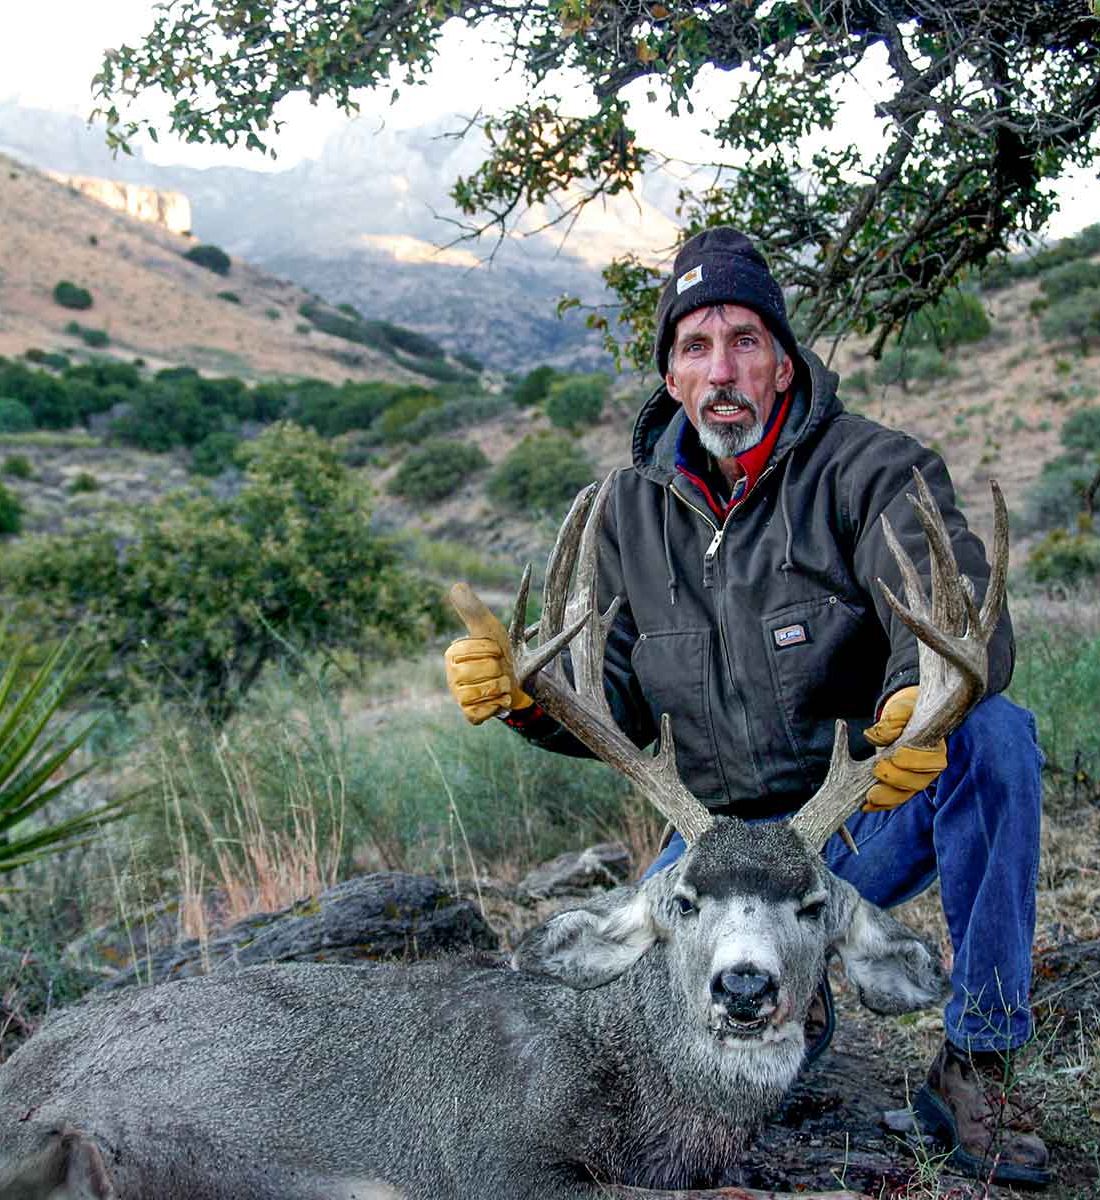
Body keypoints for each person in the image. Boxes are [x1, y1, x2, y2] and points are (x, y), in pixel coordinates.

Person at [444, 228, 1050, 1188]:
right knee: (684, 1071)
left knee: (995, 738)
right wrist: (524, 700)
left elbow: (952, 607)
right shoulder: (623, 515)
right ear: (672, 377)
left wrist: (909, 709)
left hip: (858, 820)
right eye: (695, 347)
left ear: (782, 358)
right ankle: (801, 999)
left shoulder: (874, 472)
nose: (721, 369)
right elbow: (621, 704)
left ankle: (976, 1060)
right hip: (718, 842)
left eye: (744, 342)